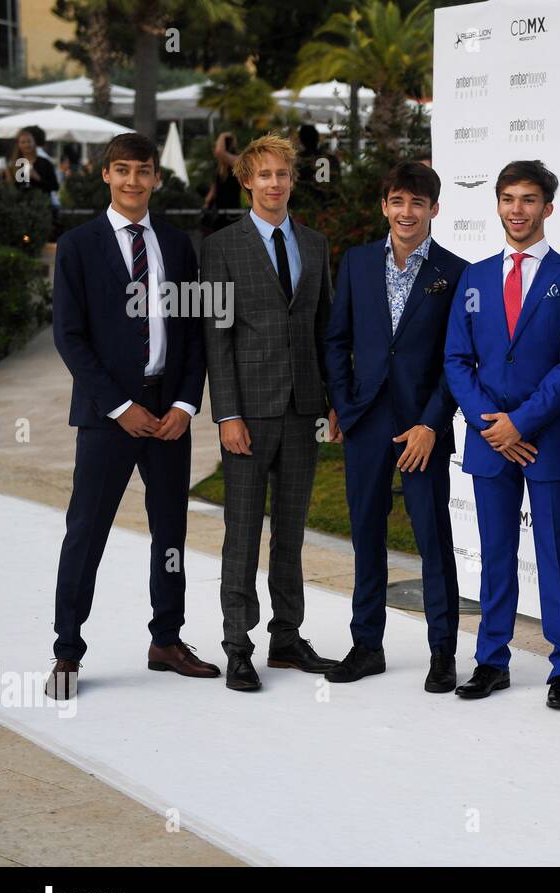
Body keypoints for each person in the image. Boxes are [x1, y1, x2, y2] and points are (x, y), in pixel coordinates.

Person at [45, 132, 212, 700]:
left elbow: (193, 333)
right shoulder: (78, 245)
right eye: (123, 170)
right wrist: (119, 407)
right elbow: (69, 337)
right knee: (86, 532)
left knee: (171, 531)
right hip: (107, 417)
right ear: (106, 176)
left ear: (156, 178)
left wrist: (186, 404)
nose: (133, 181)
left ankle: (166, 638)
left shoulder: (176, 243)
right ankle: (67, 651)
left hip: (168, 416)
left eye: (144, 171)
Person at [443, 160, 560, 709]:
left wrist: (521, 423)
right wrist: (493, 427)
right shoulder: (475, 277)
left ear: (547, 207)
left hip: (547, 437)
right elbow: (456, 360)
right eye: (508, 198)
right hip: (489, 442)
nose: (517, 209)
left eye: (529, 199)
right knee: (495, 553)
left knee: (556, 554)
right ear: (498, 205)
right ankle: (491, 660)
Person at [201, 133, 340, 692]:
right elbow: (216, 337)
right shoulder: (222, 247)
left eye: (282, 174)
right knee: (242, 534)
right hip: (249, 415)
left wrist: (332, 401)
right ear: (246, 182)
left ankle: (286, 638)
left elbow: (326, 328)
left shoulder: (315, 243)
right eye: (264, 176)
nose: (275, 184)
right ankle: (238, 646)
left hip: (304, 409)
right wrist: (226, 414)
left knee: (291, 531)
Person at [324, 160, 467, 690]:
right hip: (365, 421)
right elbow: (337, 340)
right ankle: (366, 645)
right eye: (398, 201)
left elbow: (459, 358)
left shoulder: (454, 272)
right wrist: (343, 401)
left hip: (421, 428)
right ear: (384, 205)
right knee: (366, 534)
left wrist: (432, 423)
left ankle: (443, 652)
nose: (407, 212)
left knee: (432, 537)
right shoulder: (358, 263)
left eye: (418, 203)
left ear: (434, 209)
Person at [202, 133, 242, 235]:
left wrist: (223, 135)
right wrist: (206, 204)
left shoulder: (238, 161)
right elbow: (214, 189)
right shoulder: (219, 167)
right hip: (219, 215)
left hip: (232, 214)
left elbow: (219, 152)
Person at [9, 128, 57, 196]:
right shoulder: (14, 165)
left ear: (34, 143)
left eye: (29, 141)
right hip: (21, 204)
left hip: (42, 203)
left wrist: (38, 178)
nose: (26, 145)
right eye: (23, 142)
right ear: (18, 145)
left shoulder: (45, 163)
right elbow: (12, 190)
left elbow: (55, 187)